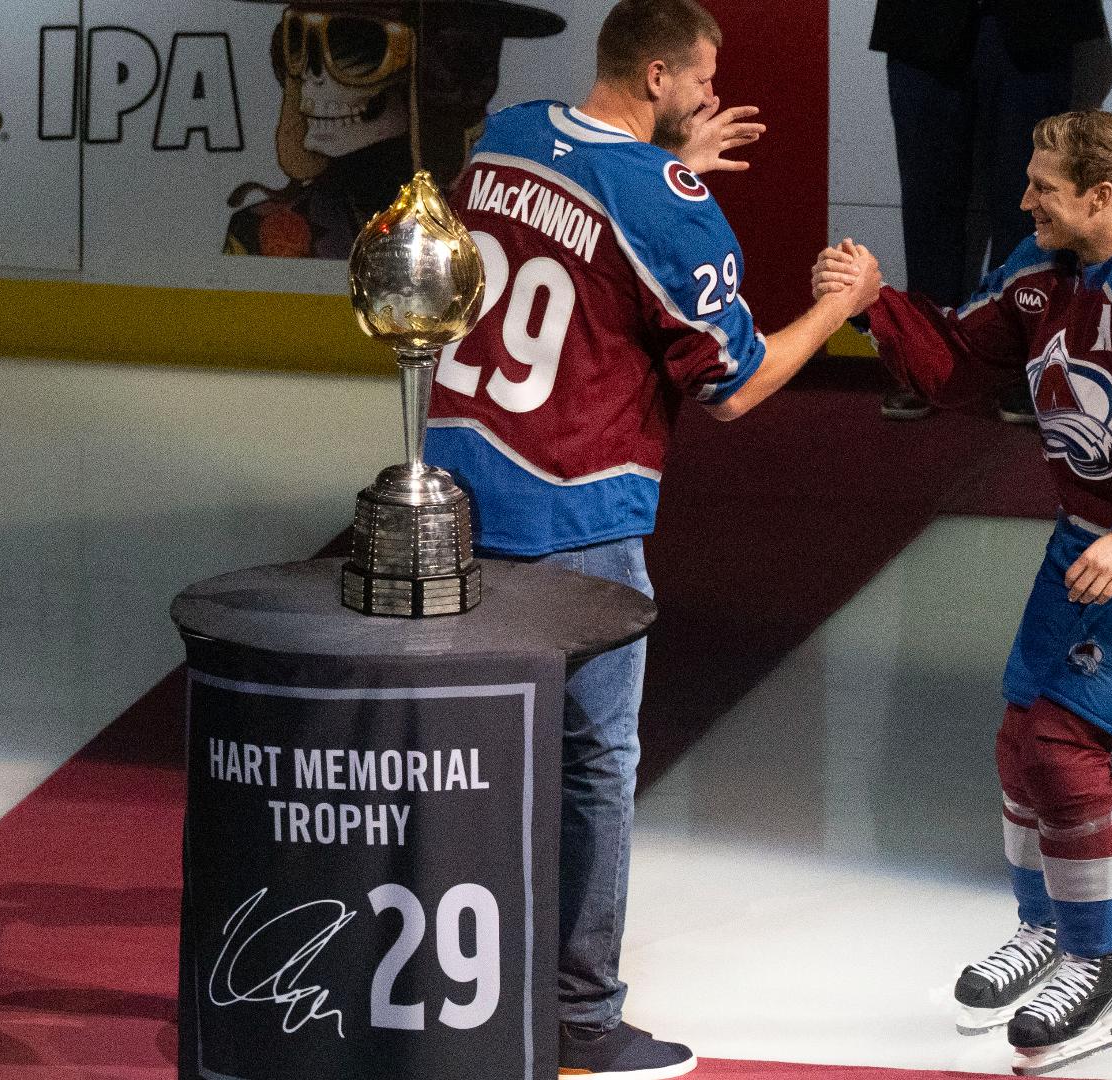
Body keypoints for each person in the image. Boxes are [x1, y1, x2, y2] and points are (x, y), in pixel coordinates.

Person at [425, 2, 882, 1076]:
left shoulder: (509, 132)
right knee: (593, 764)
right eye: (702, 82)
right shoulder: (665, 203)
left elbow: (576, 238)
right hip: (578, 514)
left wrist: (668, 162)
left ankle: (460, 988)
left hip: (456, 492)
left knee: (472, 754)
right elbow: (732, 388)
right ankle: (581, 1018)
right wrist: (839, 307)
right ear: (661, 73)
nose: (710, 99)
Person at [820, 110, 1112, 1075]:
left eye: (1043, 188)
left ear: (1100, 197)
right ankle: (1048, 932)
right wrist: (875, 304)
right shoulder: (1039, 276)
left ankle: (1102, 969)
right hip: (1091, 540)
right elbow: (956, 361)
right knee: (1021, 731)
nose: (1024, 202)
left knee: (1066, 746)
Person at [868, 0, 1112, 423]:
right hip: (922, 26)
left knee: (1032, 202)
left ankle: (1024, 365)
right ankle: (925, 362)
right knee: (929, 200)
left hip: (1036, 25)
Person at [224, 0, 565, 258]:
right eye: (297, 42)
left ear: (439, 74)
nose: (314, 78)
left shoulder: (495, 229)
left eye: (354, 46)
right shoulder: (260, 233)